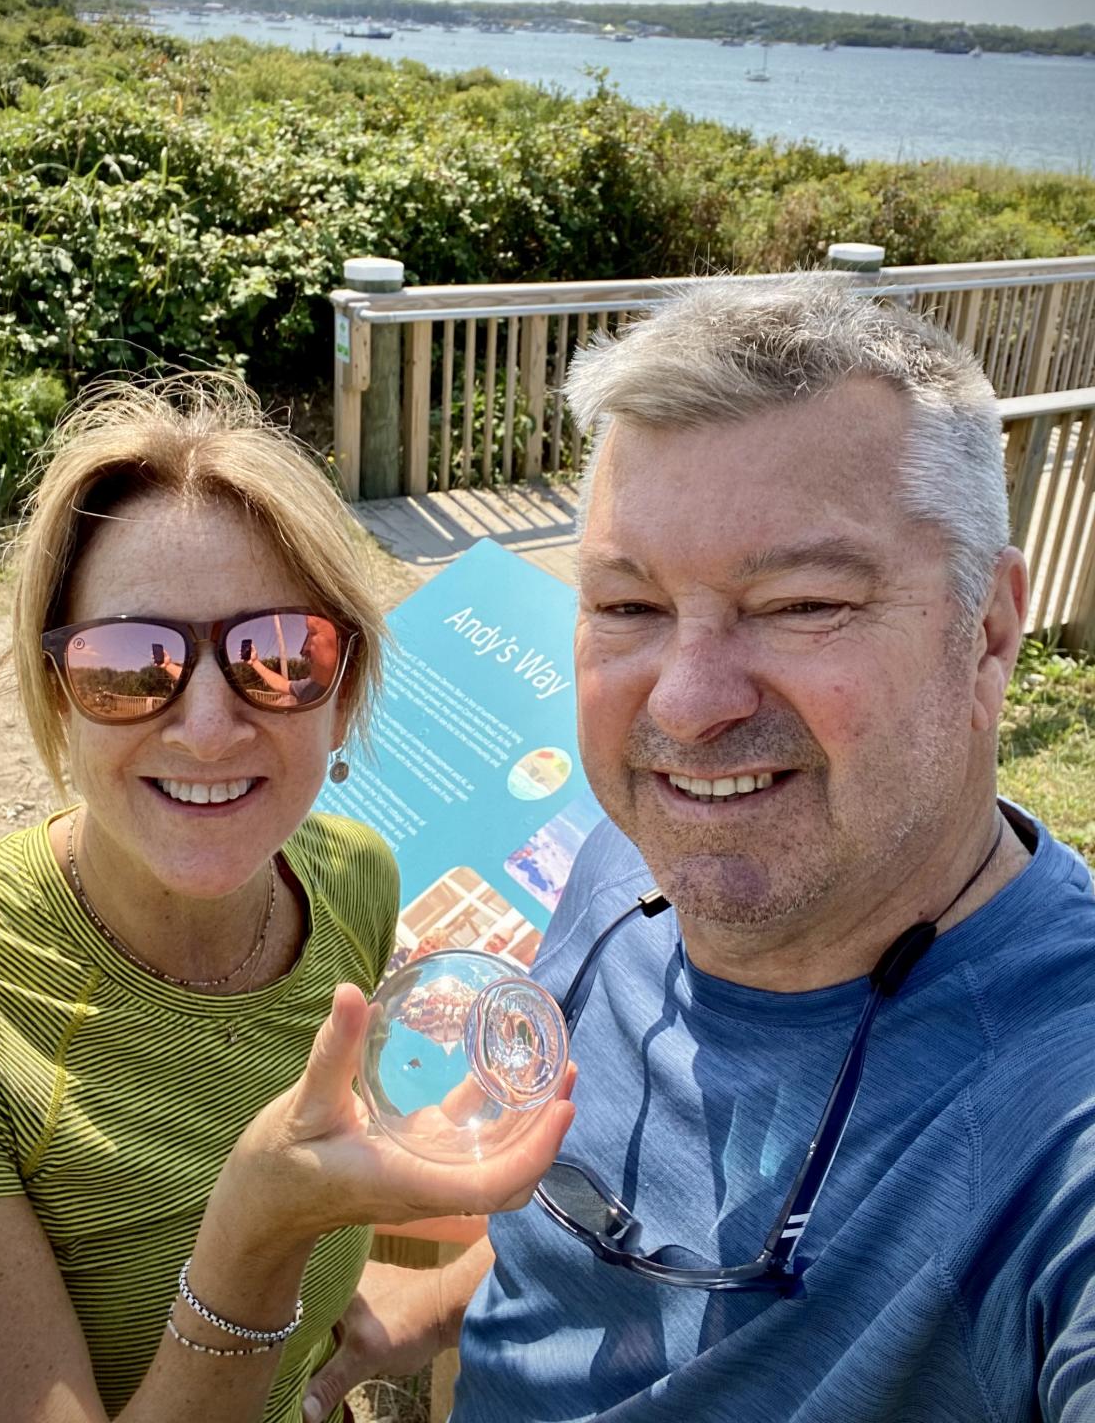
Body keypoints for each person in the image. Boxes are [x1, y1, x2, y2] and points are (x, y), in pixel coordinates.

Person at [301, 278, 1095, 1423]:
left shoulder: (1051, 1113)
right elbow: (610, 1213)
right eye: (627, 607)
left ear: (991, 632)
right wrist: (427, 1309)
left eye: (805, 602)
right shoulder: (622, 871)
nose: (687, 703)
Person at [0, 376, 574, 1423]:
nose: (207, 725)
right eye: (129, 663)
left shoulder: (351, 878)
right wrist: (254, 1241)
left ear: (344, 687)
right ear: (56, 695)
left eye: (279, 658)